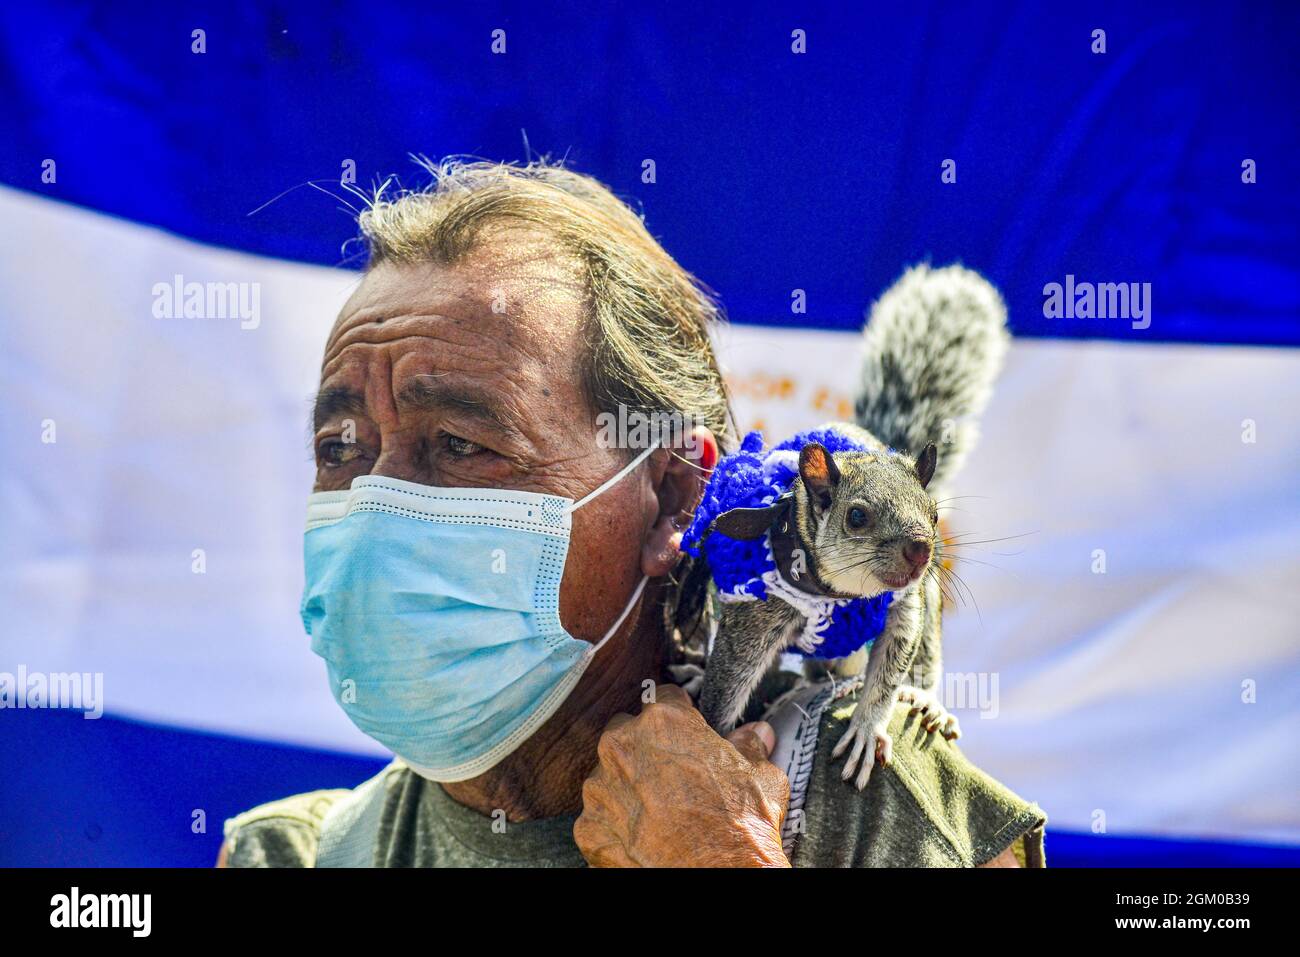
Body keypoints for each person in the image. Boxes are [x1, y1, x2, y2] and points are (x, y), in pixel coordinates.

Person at [218, 159, 1046, 868]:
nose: (379, 505)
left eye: (461, 445)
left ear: (675, 497)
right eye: (338, 448)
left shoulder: (888, 809)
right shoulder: (290, 854)